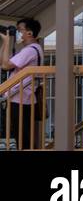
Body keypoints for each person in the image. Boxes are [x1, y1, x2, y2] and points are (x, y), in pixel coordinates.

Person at [1, 19, 43, 149]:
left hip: (21, 99)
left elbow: (6, 65)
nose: (18, 32)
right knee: (22, 137)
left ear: (29, 33)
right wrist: (5, 42)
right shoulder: (31, 49)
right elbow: (3, 62)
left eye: (20, 30)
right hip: (21, 98)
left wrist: (8, 41)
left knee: (22, 138)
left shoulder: (30, 50)